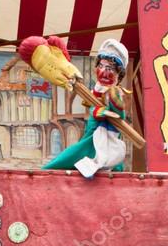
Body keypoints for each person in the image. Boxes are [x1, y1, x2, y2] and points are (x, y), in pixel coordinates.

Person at [42, 38, 129, 177]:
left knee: (68, 157)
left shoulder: (114, 93)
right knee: (71, 161)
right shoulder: (97, 91)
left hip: (99, 141)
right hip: (91, 135)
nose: (104, 72)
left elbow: (119, 114)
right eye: (101, 66)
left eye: (110, 69)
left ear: (119, 74)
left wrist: (104, 111)